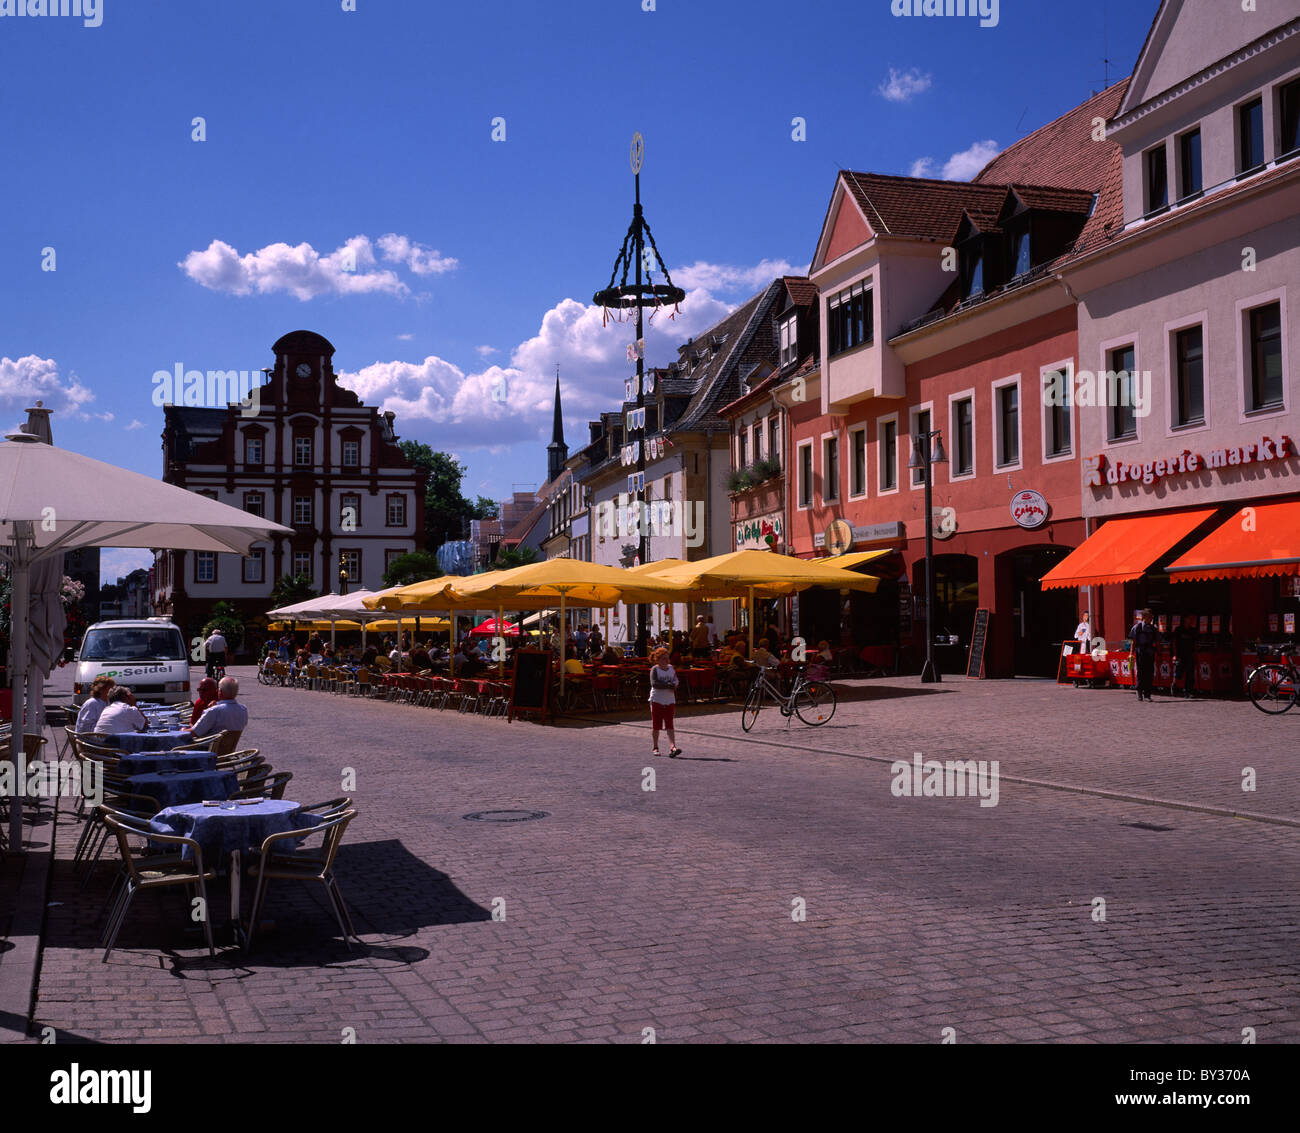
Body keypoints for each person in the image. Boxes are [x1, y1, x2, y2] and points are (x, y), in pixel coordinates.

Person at [648, 646, 681, 758]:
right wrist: (668, 685)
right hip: (657, 699)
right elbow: (654, 683)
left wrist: (675, 684)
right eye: (663, 659)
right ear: (658, 659)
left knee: (669, 724)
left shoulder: (671, 668)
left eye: (667, 658)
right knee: (656, 725)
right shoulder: (655, 669)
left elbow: (675, 679)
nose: (666, 661)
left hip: (669, 699)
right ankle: (655, 746)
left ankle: (673, 747)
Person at [192, 675, 249, 740]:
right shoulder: (243, 709)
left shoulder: (214, 710)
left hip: (206, 746)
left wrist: (182, 730)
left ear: (220, 692)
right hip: (229, 746)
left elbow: (195, 732)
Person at [1129, 608, 1158, 702]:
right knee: (1141, 672)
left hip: (1150, 652)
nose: (1151, 619)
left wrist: (1157, 651)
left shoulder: (1153, 628)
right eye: (1149, 617)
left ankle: (1148, 694)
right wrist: (1131, 654)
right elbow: (1133, 642)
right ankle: (1139, 691)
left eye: (1152, 617)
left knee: (1149, 673)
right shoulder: (1137, 627)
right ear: (1144, 617)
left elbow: (1157, 640)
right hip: (1140, 652)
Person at [1172, 614, 1198, 698]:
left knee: (1190, 674)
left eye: (1192, 619)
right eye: (1190, 618)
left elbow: (1195, 643)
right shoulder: (1178, 630)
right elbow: (1174, 643)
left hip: (1190, 654)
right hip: (1180, 655)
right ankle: (1174, 685)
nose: (1191, 620)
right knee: (1178, 673)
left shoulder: (1193, 631)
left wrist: (1195, 654)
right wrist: (1175, 655)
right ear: (1185, 619)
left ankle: (1188, 691)